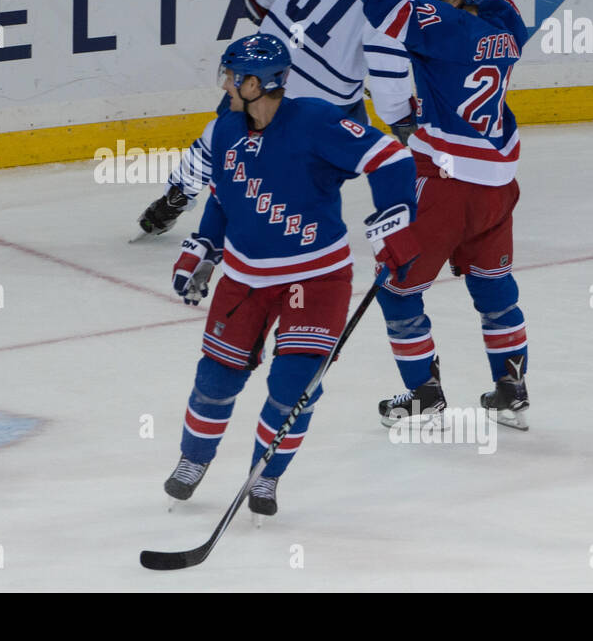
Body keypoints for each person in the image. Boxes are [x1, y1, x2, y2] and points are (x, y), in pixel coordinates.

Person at [161, 33, 418, 518]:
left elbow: (391, 158)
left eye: (233, 78)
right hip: (244, 277)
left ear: (256, 83)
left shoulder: (317, 121)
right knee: (215, 379)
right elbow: (223, 195)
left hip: (317, 278)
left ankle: (266, 475)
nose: (227, 86)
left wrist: (394, 223)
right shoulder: (224, 130)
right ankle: (193, 461)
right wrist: (205, 249)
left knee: (294, 387)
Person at [325, 0, 531, 430]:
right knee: (493, 284)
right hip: (498, 187)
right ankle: (512, 389)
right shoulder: (507, 23)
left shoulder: (446, 28)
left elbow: (388, 11)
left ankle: (425, 395)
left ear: (460, 0)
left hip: (445, 183)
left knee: (398, 289)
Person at [135, 0, 450, 237]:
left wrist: (258, 1)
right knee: (337, 154)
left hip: (266, 63)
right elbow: (385, 56)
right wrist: (401, 118)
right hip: (324, 96)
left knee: (226, 134)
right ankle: (281, 208)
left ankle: (176, 195)